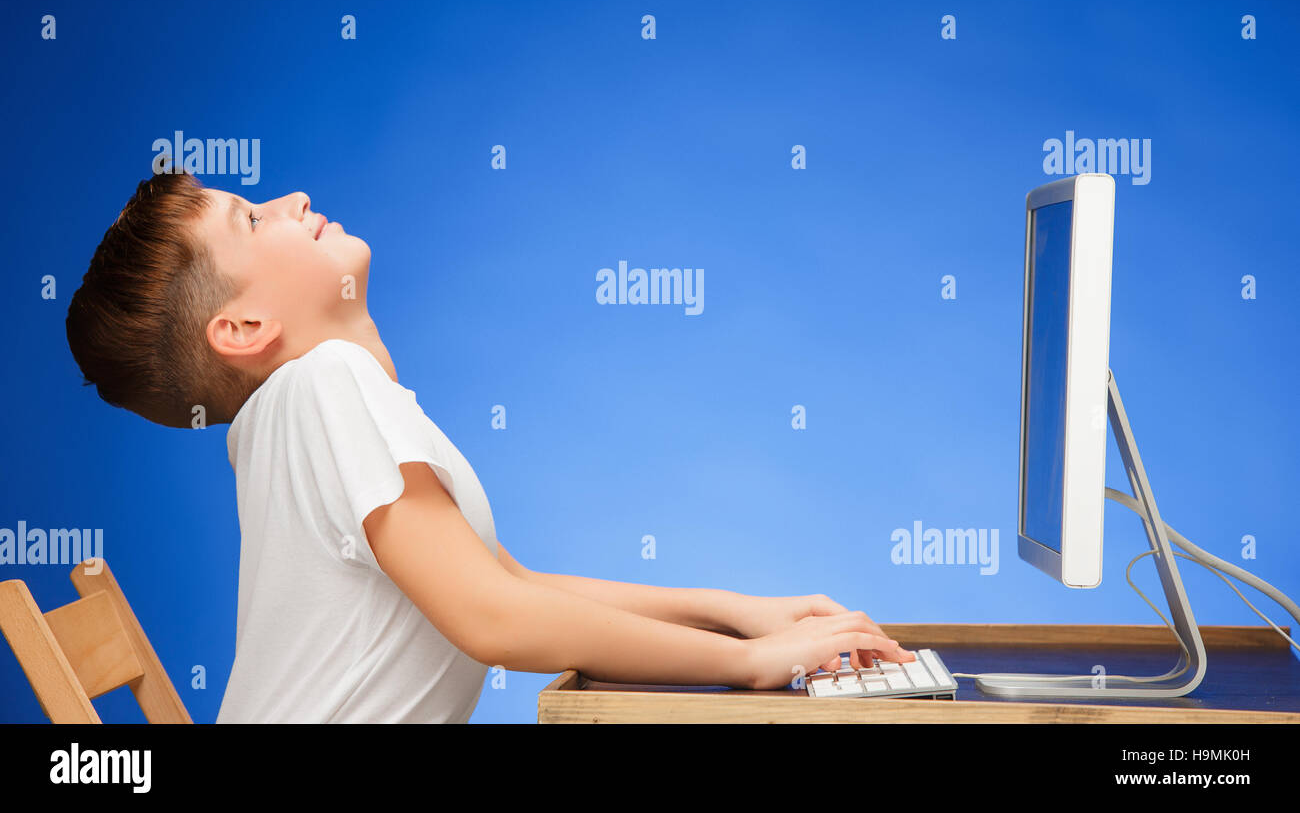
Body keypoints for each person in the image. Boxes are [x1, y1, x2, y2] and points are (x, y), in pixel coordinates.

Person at [64, 166, 913, 722]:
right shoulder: (324, 387)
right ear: (244, 326)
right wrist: (756, 665)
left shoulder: (299, 412)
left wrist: (738, 616)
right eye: (252, 218)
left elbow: (508, 581)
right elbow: (495, 619)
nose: (289, 200)